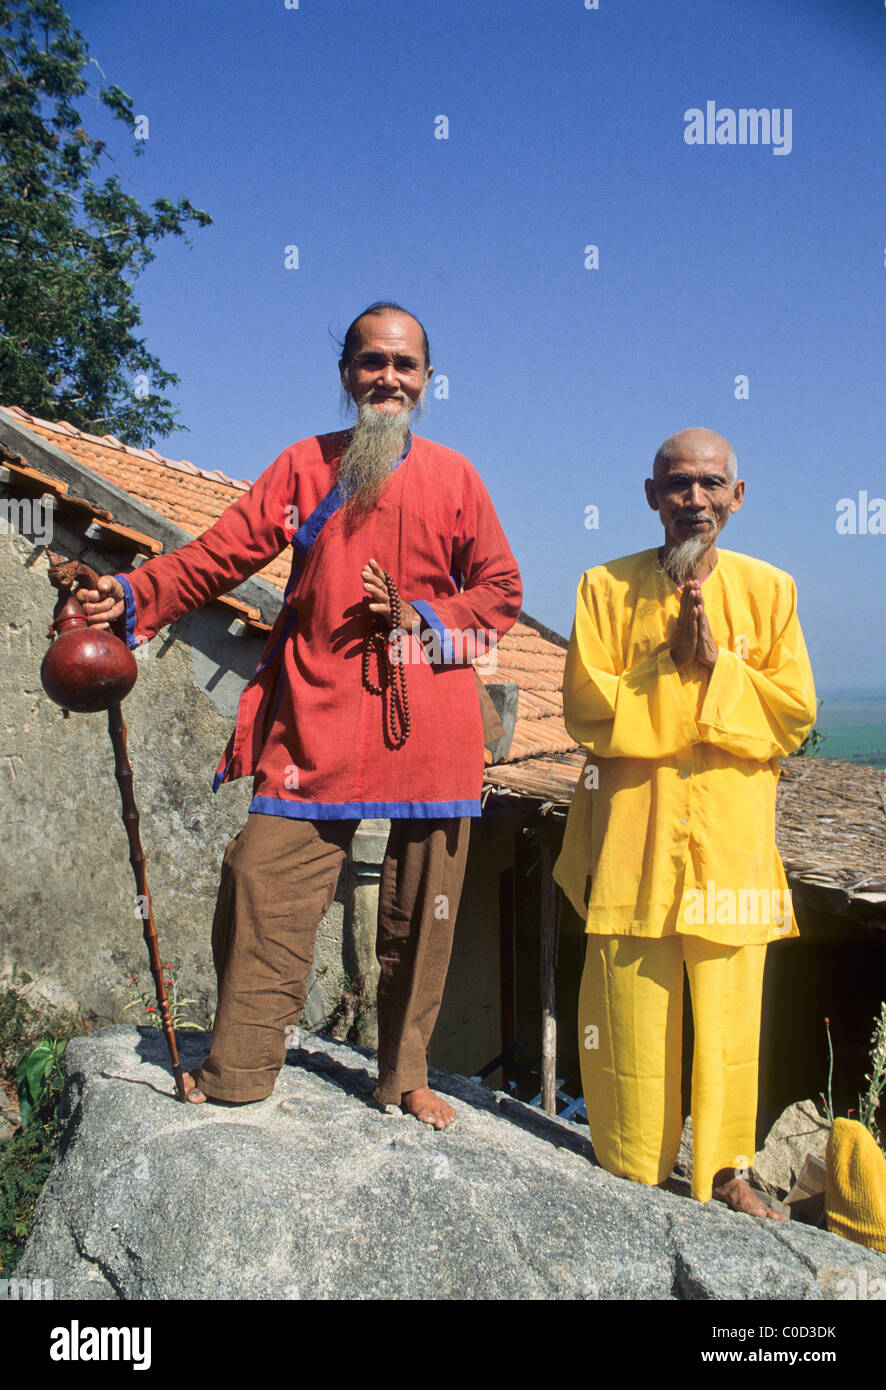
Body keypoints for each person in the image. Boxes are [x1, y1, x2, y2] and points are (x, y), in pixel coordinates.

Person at [80, 302, 522, 1128]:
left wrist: (423, 621)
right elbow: (220, 555)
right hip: (316, 715)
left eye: (405, 364)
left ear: (427, 380)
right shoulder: (304, 466)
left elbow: (499, 593)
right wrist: (136, 593)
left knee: (423, 913)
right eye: (371, 361)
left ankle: (405, 1075)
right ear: (346, 373)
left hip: (427, 724)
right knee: (260, 875)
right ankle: (242, 1066)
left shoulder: (457, 478)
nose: (388, 376)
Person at [553, 427, 816, 1213]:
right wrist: (669, 667)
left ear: (736, 498)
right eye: (677, 484)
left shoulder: (772, 592)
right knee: (628, 1007)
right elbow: (585, 711)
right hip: (634, 837)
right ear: (651, 497)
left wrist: (715, 667)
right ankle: (634, 1162)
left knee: (731, 1015)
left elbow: (793, 716)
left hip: (730, 843)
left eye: (709, 484)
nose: (693, 500)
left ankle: (728, 1169)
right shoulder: (603, 588)